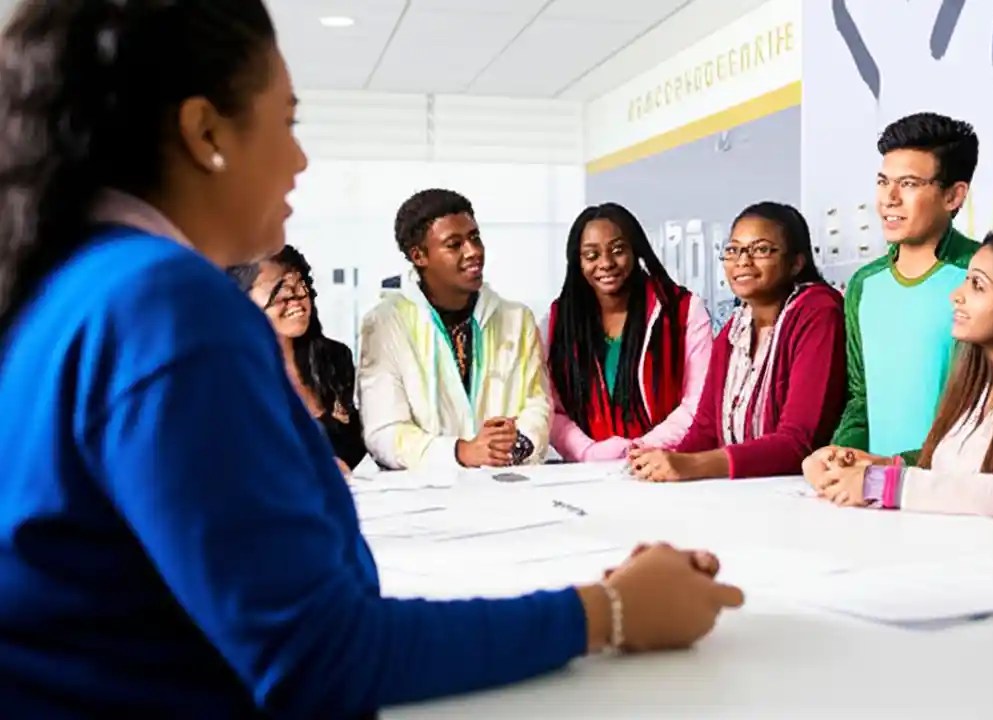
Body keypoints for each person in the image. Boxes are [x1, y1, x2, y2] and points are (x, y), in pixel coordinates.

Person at [0, 2, 743, 716]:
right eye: (287, 121)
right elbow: (318, 652)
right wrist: (610, 611)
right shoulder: (164, 307)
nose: (299, 159)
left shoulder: (74, 287)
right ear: (204, 131)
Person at [805, 231, 993, 524]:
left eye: (977, 285)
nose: (956, 295)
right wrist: (877, 465)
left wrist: (886, 484)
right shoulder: (979, 379)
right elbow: (951, 475)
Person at [628, 202, 846, 481]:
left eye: (761, 249)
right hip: (744, 491)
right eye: (733, 250)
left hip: (801, 492)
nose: (743, 260)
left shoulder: (817, 312)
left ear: (796, 263)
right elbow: (706, 430)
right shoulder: (736, 327)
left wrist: (693, 466)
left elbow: (797, 443)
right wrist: (665, 463)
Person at [359, 188, 553, 470]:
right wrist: (461, 452)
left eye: (475, 238)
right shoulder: (384, 324)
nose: (473, 251)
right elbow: (384, 431)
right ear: (419, 256)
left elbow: (538, 405)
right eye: (454, 244)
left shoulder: (516, 319)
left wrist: (517, 445)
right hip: (425, 499)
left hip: (509, 491)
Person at [831, 112, 982, 459]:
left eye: (910, 183)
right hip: (869, 494)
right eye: (883, 182)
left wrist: (896, 469)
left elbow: (984, 413)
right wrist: (841, 454)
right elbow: (861, 398)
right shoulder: (864, 284)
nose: (890, 198)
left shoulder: (982, 275)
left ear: (954, 196)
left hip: (950, 493)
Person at [545, 203, 713, 462]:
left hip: (667, 466)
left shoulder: (683, 310)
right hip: (584, 475)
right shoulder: (557, 321)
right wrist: (587, 452)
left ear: (636, 250)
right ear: (577, 261)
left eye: (618, 250)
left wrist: (640, 449)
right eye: (591, 255)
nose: (606, 263)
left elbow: (698, 401)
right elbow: (550, 407)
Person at [230, 245, 367, 474]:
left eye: (300, 286)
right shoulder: (233, 376)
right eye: (281, 292)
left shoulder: (334, 361)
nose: (296, 301)